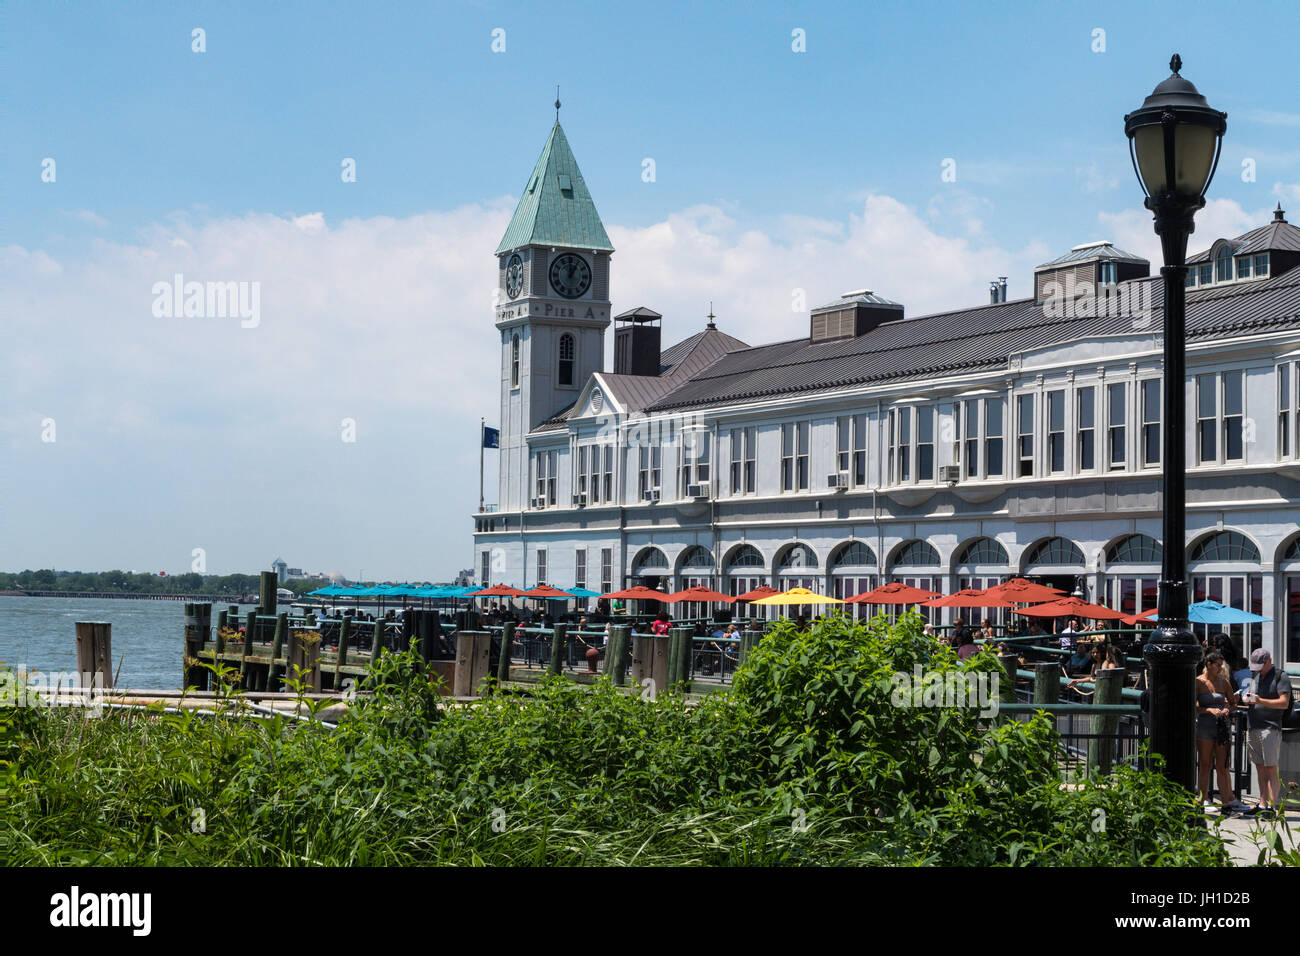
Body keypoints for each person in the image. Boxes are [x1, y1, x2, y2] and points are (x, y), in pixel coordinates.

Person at [1241, 647, 1293, 819]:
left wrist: (1259, 700)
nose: (1257, 670)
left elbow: (1284, 703)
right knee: (1260, 767)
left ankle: (1272, 807)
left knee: (1271, 768)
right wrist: (1246, 697)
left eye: (1260, 666)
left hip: (1270, 728)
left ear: (1269, 661)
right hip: (1253, 725)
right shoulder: (1256, 675)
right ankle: (1262, 804)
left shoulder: (1280, 676)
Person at [1195, 651, 1246, 814]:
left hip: (1222, 727)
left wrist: (1226, 709)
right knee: (1204, 765)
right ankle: (1201, 801)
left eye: (1221, 665)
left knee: (1223, 767)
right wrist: (1207, 709)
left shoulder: (1224, 682)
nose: (1220, 668)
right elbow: (1193, 704)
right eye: (1218, 665)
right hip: (1205, 726)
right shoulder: (1198, 682)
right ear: (1208, 664)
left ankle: (1226, 804)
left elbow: (1233, 703)